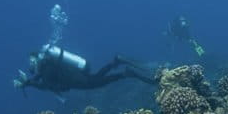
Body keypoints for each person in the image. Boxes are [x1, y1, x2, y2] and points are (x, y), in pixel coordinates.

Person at [14, 45, 156, 95]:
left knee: (96, 83)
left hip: (76, 79)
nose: (31, 65)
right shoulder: (47, 65)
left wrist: (29, 83)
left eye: (31, 61)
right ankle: (116, 62)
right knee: (96, 78)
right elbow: (41, 80)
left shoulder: (46, 69)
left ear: (36, 59)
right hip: (78, 73)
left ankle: (125, 73)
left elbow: (46, 85)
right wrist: (28, 82)